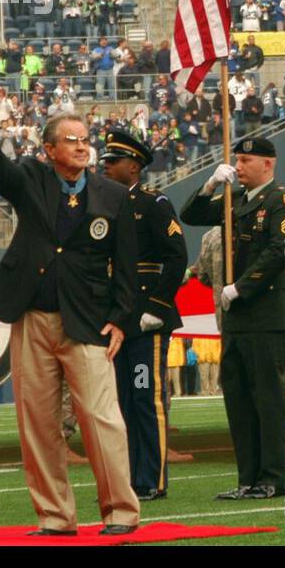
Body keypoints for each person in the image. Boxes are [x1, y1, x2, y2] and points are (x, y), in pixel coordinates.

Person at [0, 67, 141, 536]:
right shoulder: (29, 177)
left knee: (101, 419)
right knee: (38, 423)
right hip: (33, 318)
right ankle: (56, 517)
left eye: (86, 140)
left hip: (89, 321)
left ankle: (120, 511)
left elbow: (126, 266)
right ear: (49, 150)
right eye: (72, 140)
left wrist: (121, 319)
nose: (82, 146)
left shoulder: (114, 196)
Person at [183, 136, 285, 500]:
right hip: (235, 318)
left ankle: (272, 479)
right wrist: (211, 184)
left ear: (268, 163)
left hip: (264, 313)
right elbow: (191, 215)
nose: (239, 166)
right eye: (237, 159)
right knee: (238, 401)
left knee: (267, 400)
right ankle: (247, 478)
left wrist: (241, 287)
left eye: (246, 160)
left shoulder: (282, 199)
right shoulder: (234, 201)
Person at [100, 128, 189, 502]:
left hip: (145, 319)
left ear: (134, 166)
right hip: (117, 319)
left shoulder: (153, 204)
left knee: (144, 397)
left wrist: (158, 306)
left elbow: (177, 255)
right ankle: (130, 480)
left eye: (113, 161)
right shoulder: (105, 205)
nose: (106, 167)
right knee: (121, 401)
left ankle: (152, 478)